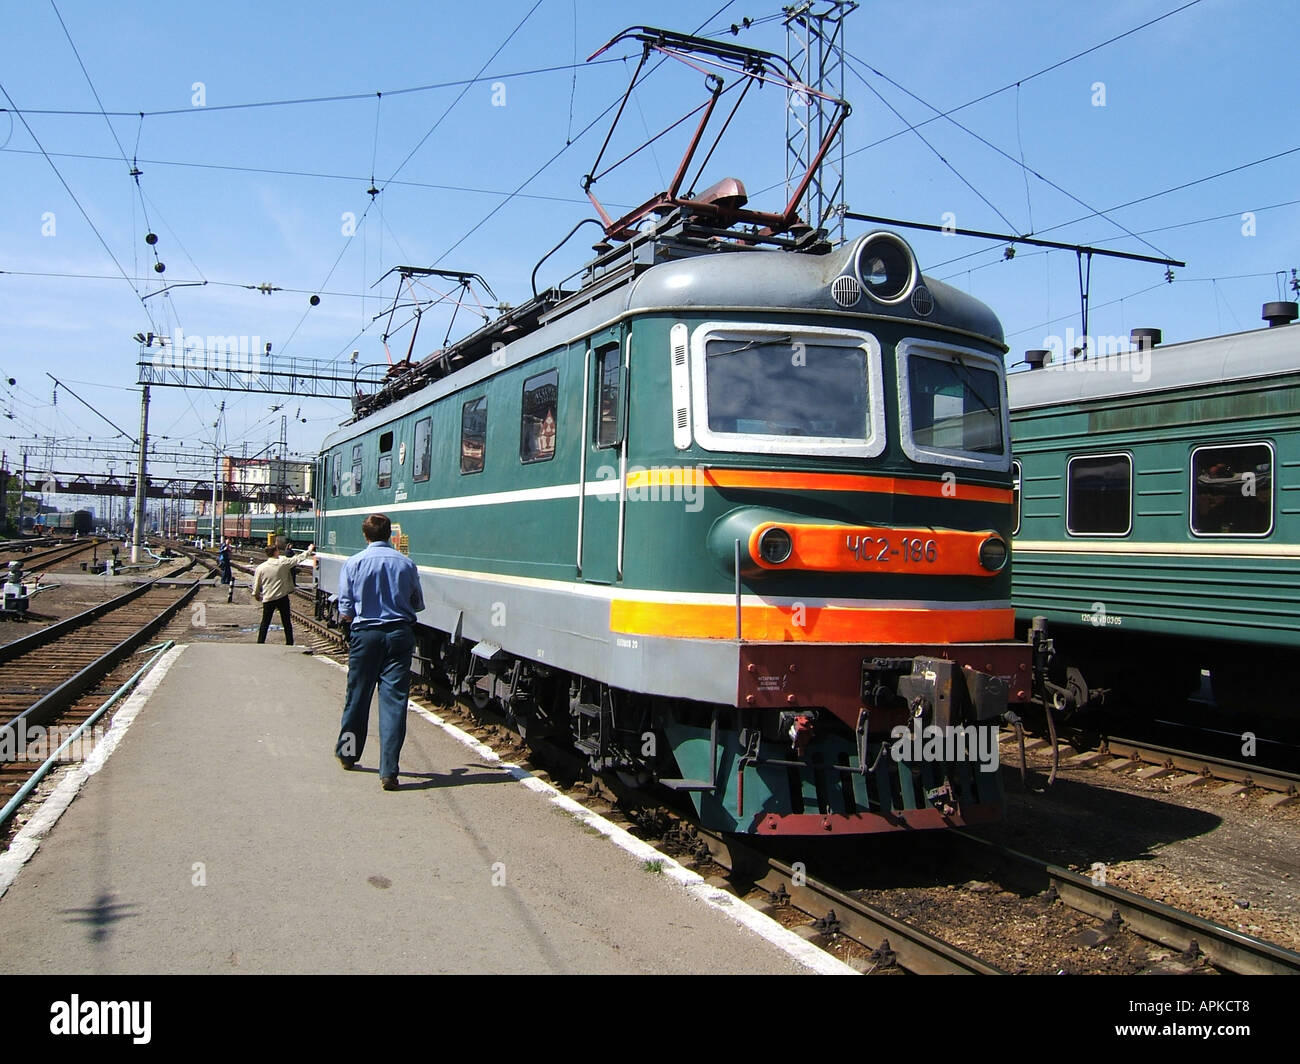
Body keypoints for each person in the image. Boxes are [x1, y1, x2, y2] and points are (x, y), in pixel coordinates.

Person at [334, 513, 424, 791]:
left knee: (357, 698)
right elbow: (417, 603)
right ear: (389, 535)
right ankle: (389, 771)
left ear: (366, 536)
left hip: (366, 635)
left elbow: (346, 609)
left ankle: (348, 754)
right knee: (395, 703)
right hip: (399, 635)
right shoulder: (407, 564)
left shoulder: (354, 563)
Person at [252, 541, 314, 645]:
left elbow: (256, 584)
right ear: (276, 552)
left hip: (268, 598)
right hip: (282, 597)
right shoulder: (283, 563)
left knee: (265, 622)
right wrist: (309, 550)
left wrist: (257, 595)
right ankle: (289, 642)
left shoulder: (261, 568)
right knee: (286, 622)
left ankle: (260, 642)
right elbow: (298, 559)